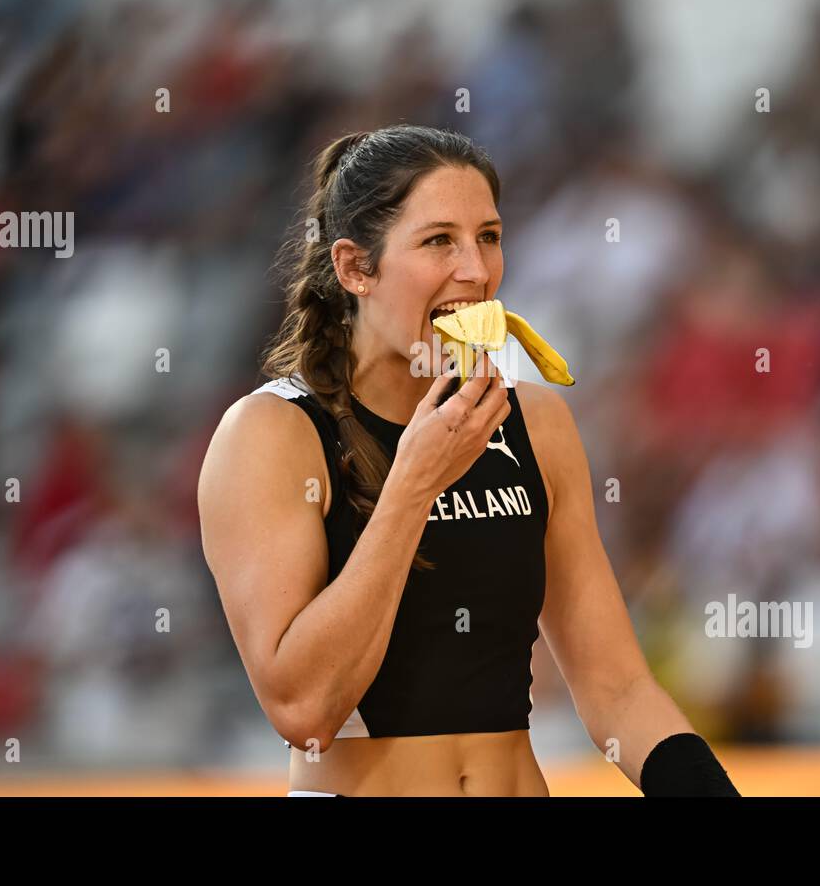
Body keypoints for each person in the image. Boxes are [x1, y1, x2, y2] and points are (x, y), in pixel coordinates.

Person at [197, 125, 738, 796]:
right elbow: (303, 710)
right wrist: (414, 484)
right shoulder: (274, 433)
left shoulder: (532, 421)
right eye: (438, 241)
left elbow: (617, 690)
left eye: (488, 236)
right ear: (355, 267)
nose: (476, 271)